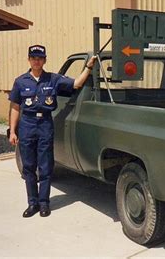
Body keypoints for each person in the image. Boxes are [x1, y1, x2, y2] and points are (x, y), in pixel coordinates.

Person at [8, 45, 97, 218]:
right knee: (28, 167)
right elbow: (15, 107)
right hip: (27, 124)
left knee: (46, 166)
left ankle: (44, 203)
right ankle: (32, 203)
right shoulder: (20, 81)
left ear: (44, 60)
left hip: (45, 124)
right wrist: (13, 131)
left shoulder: (53, 79)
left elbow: (77, 84)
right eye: (33, 57)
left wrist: (89, 67)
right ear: (29, 59)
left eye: (40, 58)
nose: (36, 61)